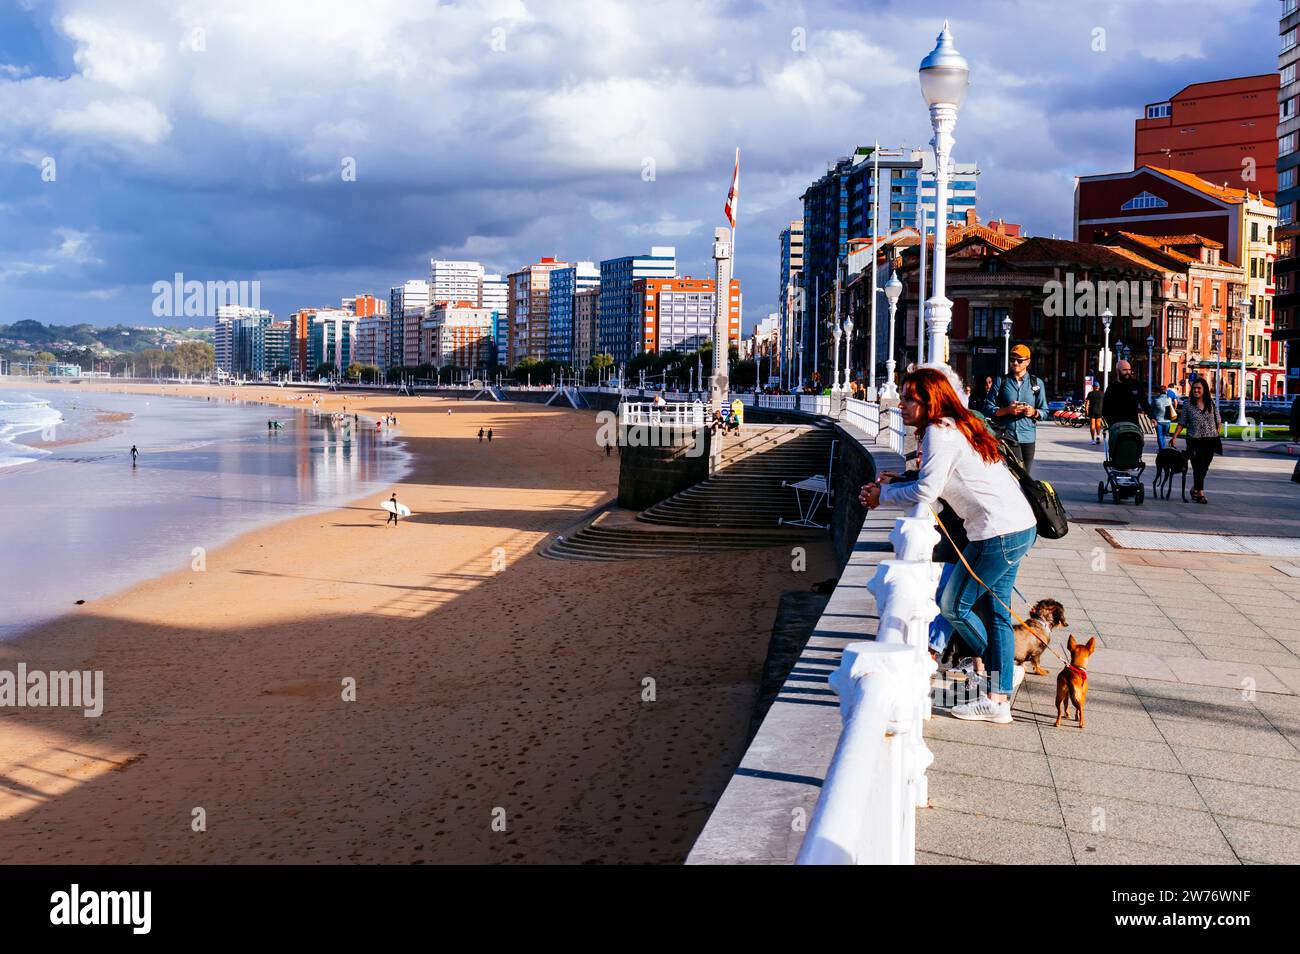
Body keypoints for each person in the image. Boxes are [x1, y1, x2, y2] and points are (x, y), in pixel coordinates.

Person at [860, 368, 1037, 724]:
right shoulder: (955, 426)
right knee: (997, 613)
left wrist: (883, 495)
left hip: (998, 532)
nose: (902, 405)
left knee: (952, 604)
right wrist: (903, 481)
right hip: (1015, 525)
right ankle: (998, 693)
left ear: (932, 402)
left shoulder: (941, 433)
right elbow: (938, 485)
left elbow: (927, 493)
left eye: (910, 398)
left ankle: (999, 682)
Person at [983, 344, 1048, 475]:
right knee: (1013, 476)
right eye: (1012, 359)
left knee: (1026, 476)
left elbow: (1045, 411)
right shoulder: (1000, 381)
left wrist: (1033, 412)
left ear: (1028, 362)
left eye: (1019, 360)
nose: (1015, 363)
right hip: (1007, 437)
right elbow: (987, 408)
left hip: (1028, 438)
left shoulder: (1037, 383)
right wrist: (1007, 410)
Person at [1169, 378, 1223, 505]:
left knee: (1205, 467)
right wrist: (1174, 437)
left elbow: (1218, 420)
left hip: (1210, 440)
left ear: (1204, 389)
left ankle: (1195, 487)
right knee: (1198, 467)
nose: (1196, 390)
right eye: (1194, 388)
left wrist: (1216, 433)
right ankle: (1200, 493)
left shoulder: (1211, 402)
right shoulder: (1188, 404)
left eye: (1198, 388)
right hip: (1194, 440)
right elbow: (1182, 422)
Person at [1101, 359, 1153, 428]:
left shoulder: (1136, 385)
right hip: (1117, 426)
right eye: (1125, 370)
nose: (1128, 372)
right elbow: (1105, 409)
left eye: (1129, 370)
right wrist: (1111, 423)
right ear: (1117, 371)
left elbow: (1144, 402)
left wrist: (1152, 417)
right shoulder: (1112, 387)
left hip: (1133, 425)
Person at [1151, 386, 1177, 450]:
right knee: (1163, 436)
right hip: (1167, 421)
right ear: (1166, 391)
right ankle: (1162, 449)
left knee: (1159, 436)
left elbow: (1151, 408)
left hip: (1158, 420)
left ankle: (1161, 449)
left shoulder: (1155, 400)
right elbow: (1174, 404)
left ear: (1159, 391)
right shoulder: (1169, 399)